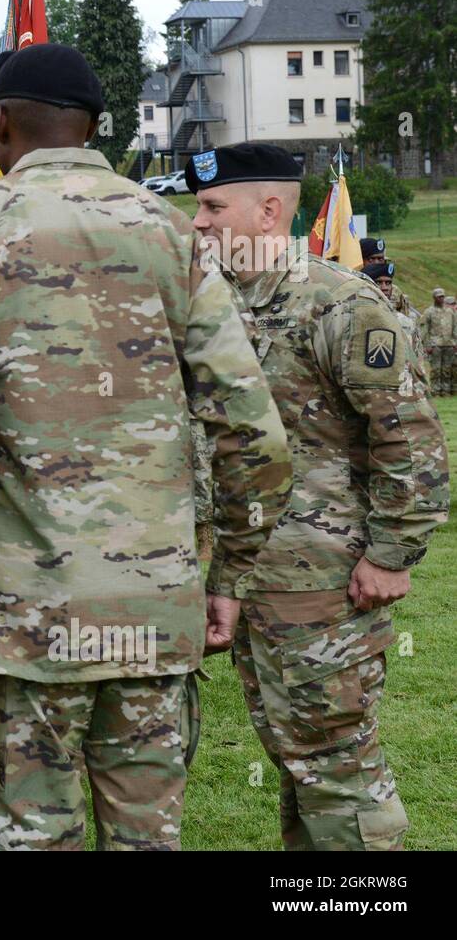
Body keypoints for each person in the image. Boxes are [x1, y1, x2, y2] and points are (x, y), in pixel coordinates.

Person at [0, 46, 294, 851]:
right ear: (95, 128)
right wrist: (229, 576)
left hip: (21, 616)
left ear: (1, 121)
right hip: (151, 607)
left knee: (32, 838)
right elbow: (252, 430)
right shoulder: (170, 232)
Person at [189, 142, 450, 850]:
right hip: (253, 575)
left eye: (213, 207)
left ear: (268, 210)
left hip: (328, 582)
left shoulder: (341, 303)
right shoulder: (216, 305)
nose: (199, 223)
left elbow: (413, 442)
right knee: (296, 755)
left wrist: (392, 554)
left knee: (337, 763)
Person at [419, 288, 456, 396]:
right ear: (434, 298)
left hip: (449, 344)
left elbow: (454, 327)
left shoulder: (450, 311)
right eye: (439, 296)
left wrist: (454, 341)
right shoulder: (429, 312)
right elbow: (424, 329)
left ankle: (445, 391)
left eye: (443, 296)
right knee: (436, 370)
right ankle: (435, 391)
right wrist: (427, 344)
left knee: (447, 369)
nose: (442, 298)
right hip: (435, 344)